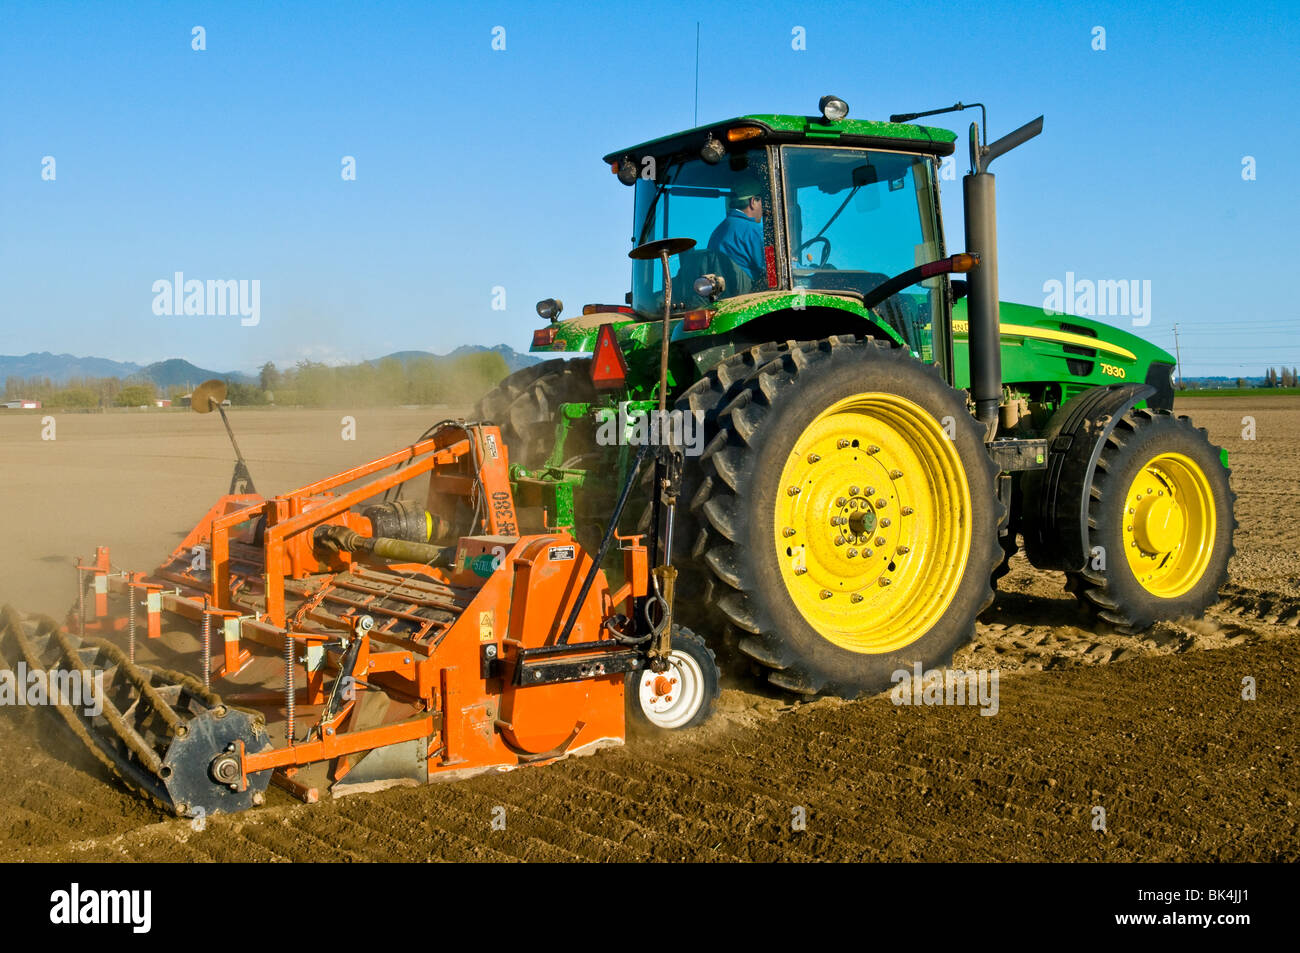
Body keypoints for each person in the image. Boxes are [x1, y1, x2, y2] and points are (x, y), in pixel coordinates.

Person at [707, 175, 766, 283]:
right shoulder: (754, 231)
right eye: (762, 201)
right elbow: (772, 268)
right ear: (753, 201)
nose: (765, 207)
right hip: (750, 294)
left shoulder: (718, 231)